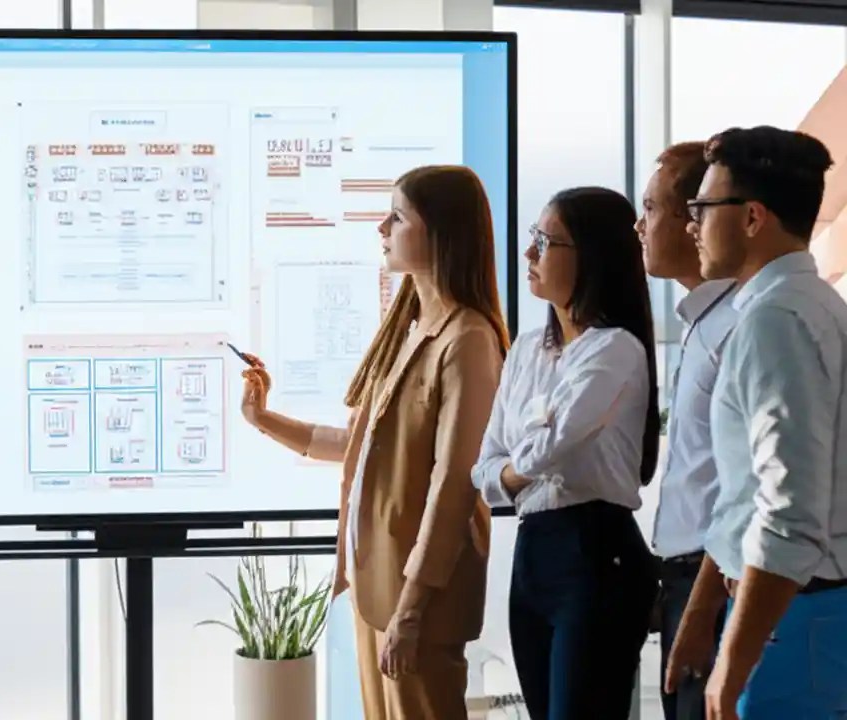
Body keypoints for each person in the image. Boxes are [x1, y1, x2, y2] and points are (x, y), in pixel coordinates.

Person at [239, 165, 509, 719]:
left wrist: (412, 606)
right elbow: (360, 448)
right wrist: (263, 418)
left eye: (398, 216)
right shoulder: (410, 330)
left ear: (439, 232)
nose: (381, 226)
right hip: (378, 590)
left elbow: (453, 487)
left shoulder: (469, 341)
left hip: (418, 599)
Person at [675, 125, 847, 720]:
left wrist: (735, 660)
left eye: (702, 206)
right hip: (799, 613)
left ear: (752, 217)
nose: (690, 223)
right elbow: (746, 497)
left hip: (792, 621)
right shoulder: (806, 305)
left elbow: (790, 511)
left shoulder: (776, 320)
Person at [472, 186, 661, 719]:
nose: (529, 255)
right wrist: (511, 473)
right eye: (533, 239)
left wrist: (511, 469)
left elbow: (552, 445)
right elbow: (486, 465)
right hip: (534, 552)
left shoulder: (615, 348)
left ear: (592, 257)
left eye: (545, 242)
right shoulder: (526, 351)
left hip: (596, 551)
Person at [637, 141, 738, 720]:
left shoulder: (736, 326)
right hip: (681, 581)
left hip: (714, 584)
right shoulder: (700, 324)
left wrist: (700, 609)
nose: (639, 226)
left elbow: (740, 489)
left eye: (650, 209)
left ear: (693, 217)